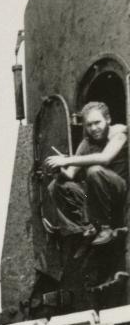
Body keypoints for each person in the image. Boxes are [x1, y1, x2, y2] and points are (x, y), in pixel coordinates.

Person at [42, 101, 128, 246]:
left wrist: (68, 160)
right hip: (95, 198)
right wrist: (58, 169)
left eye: (97, 122)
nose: (94, 128)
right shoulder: (86, 144)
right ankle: (84, 228)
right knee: (56, 186)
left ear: (108, 119)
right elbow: (70, 175)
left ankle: (105, 228)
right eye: (89, 125)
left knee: (94, 171)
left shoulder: (120, 133)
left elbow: (105, 158)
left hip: (121, 195)